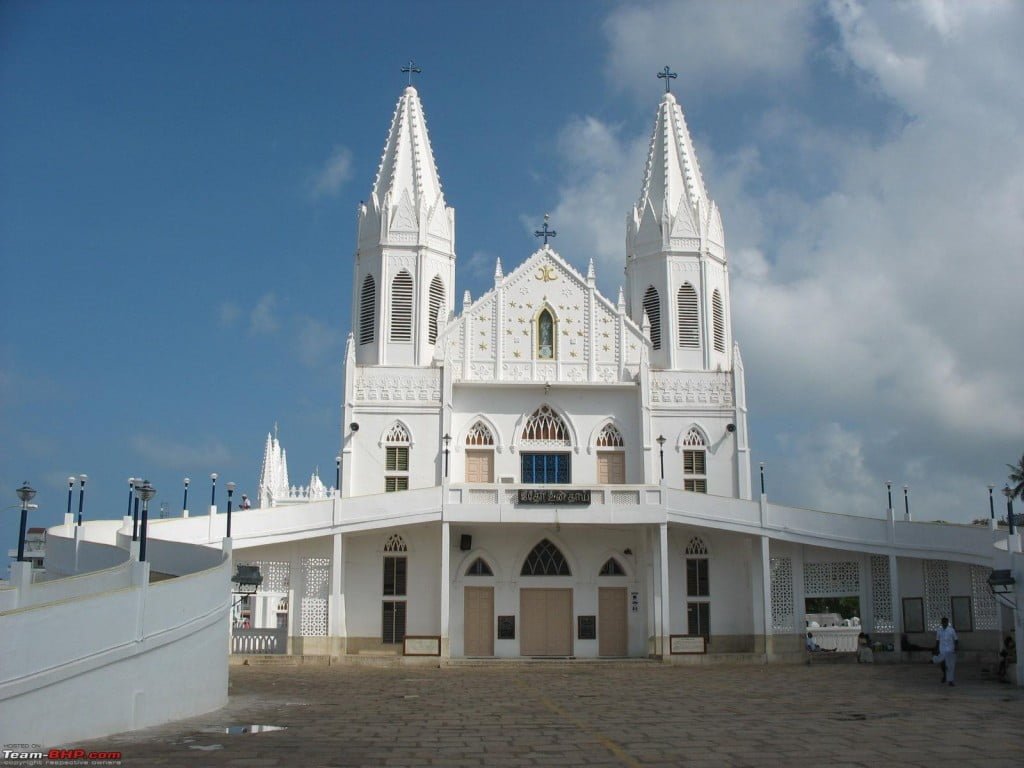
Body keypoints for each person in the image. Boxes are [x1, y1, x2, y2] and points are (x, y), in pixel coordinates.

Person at [934, 617, 959, 686]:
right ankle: (945, 675)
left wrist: (956, 648)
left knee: (950, 666)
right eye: (943, 623)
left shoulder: (951, 630)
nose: (944, 624)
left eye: (945, 623)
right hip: (942, 650)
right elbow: (937, 640)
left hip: (950, 650)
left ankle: (950, 681)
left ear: (947, 623)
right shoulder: (939, 630)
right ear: (941, 623)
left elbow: (956, 640)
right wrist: (936, 649)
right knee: (943, 664)